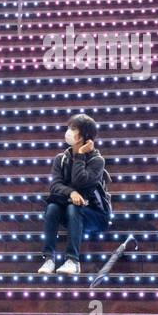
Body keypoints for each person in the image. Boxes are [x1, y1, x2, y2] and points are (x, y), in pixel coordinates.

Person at [38, 114, 112, 277]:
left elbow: (80, 182)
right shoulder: (61, 159)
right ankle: (48, 259)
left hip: (96, 216)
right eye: (69, 128)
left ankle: (73, 260)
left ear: (85, 135)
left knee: (73, 207)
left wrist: (80, 155)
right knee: (52, 208)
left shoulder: (97, 161)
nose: (68, 132)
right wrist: (70, 192)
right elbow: (55, 186)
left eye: (73, 129)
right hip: (72, 211)